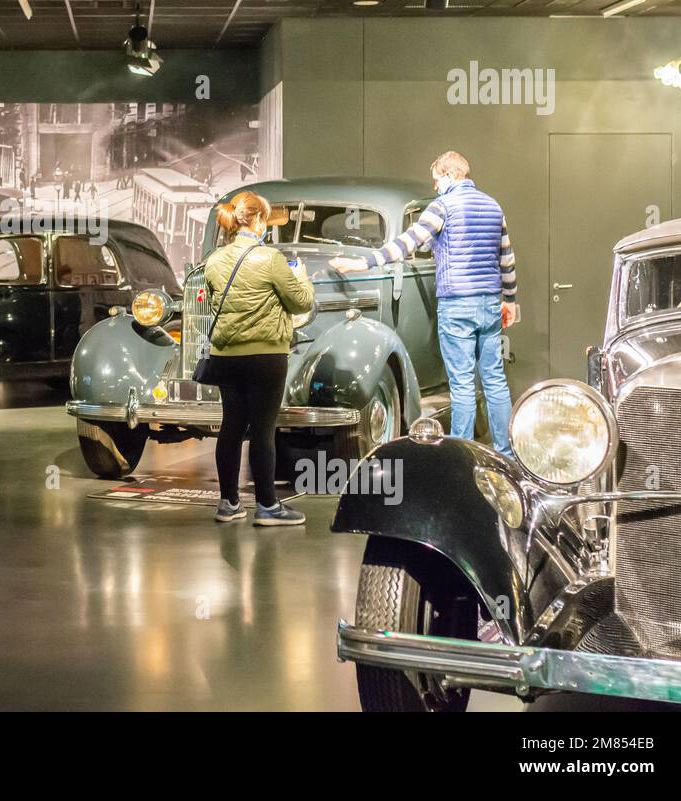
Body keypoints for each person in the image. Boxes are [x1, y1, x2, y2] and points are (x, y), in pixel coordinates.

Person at [330, 150, 517, 456]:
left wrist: (363, 263)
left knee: (462, 384)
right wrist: (509, 300)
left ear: (449, 175)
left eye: (436, 180)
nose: (434, 187)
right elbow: (507, 260)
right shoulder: (493, 206)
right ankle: (504, 454)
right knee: (494, 380)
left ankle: (461, 454)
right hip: (489, 303)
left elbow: (406, 243)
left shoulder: (442, 207)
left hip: (457, 305)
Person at [204, 191, 315, 527]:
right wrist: (302, 276)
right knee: (264, 430)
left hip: (225, 356)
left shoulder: (214, 260)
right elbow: (301, 303)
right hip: (265, 355)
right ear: (257, 220)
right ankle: (268, 506)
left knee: (231, 427)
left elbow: (212, 303)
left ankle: (228, 504)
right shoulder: (270, 258)